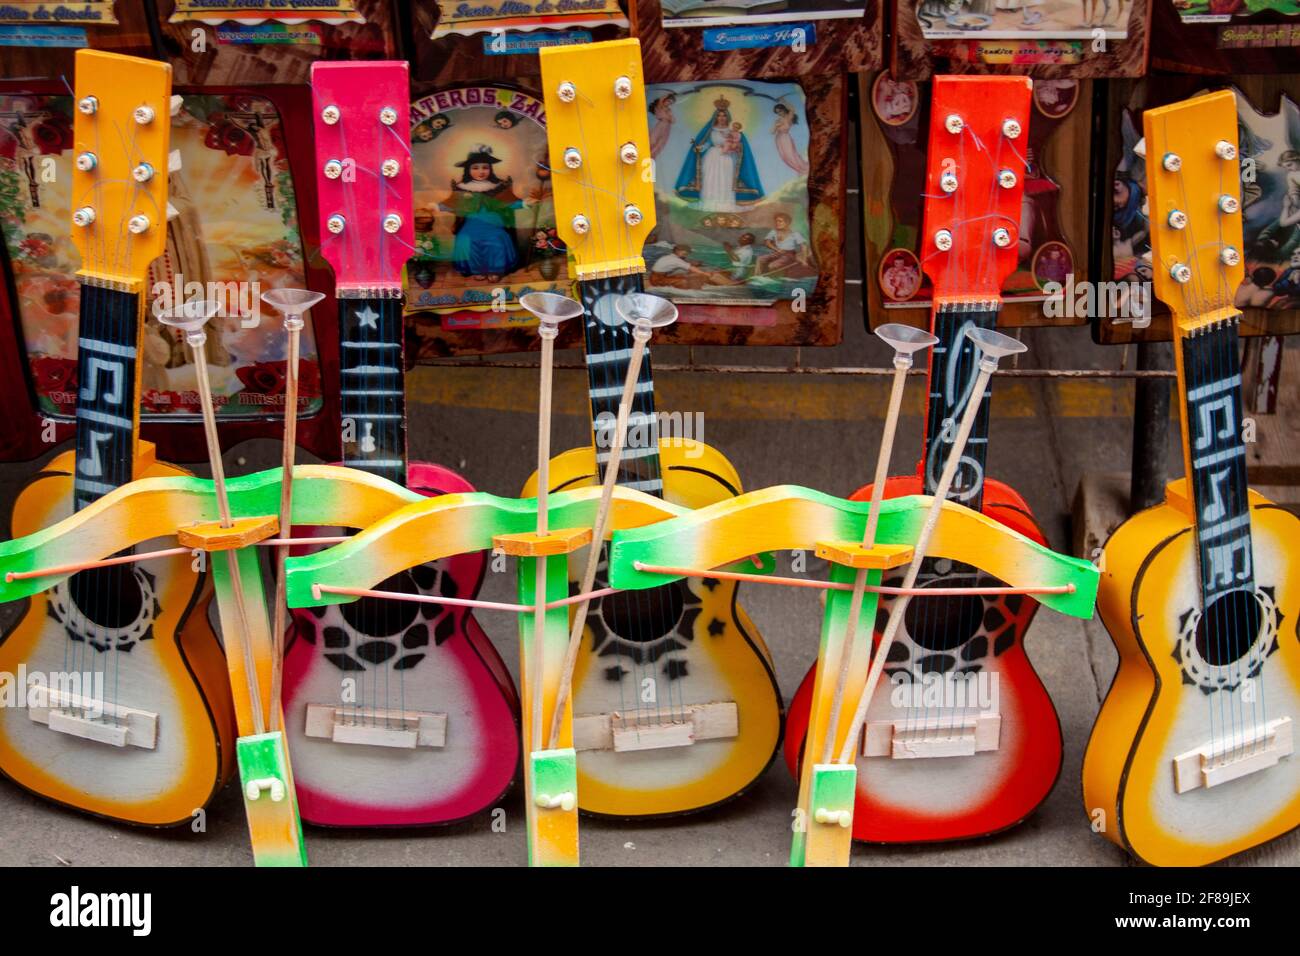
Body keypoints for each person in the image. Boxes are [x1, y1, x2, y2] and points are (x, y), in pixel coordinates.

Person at [441, 145, 522, 281]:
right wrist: (434, 206)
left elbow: (511, 202)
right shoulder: (462, 188)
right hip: (471, 225)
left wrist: (525, 204)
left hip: (494, 224)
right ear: (468, 170)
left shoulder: (498, 186)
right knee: (465, 239)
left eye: (485, 167)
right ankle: (478, 270)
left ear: (490, 169)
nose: (481, 172)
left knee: (496, 240)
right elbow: (451, 203)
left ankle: (494, 270)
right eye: (475, 168)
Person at [674, 95, 764, 212]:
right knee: (710, 179)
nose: (721, 118)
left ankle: (726, 205)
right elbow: (706, 144)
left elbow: (740, 145)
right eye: (719, 116)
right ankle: (708, 202)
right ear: (715, 117)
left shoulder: (732, 131)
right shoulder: (711, 130)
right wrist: (699, 148)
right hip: (711, 157)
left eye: (724, 115)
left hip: (727, 158)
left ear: (728, 117)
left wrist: (736, 147)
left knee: (726, 180)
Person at [771, 103, 809, 175]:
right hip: (779, 139)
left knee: (791, 155)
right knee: (785, 157)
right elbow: (772, 132)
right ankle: (799, 170)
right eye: (777, 112)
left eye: (780, 111)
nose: (779, 113)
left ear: (784, 109)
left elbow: (792, 109)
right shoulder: (778, 120)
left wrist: (783, 100)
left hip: (785, 138)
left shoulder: (788, 117)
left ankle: (803, 168)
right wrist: (775, 126)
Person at [648, 92, 677, 159]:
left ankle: (652, 155)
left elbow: (673, 120)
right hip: (661, 125)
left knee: (661, 143)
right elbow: (660, 100)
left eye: (671, 102)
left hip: (667, 127)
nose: (669, 103)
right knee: (653, 140)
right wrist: (666, 95)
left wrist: (670, 116)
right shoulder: (660, 107)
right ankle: (648, 152)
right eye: (668, 101)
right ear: (664, 100)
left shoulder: (668, 110)